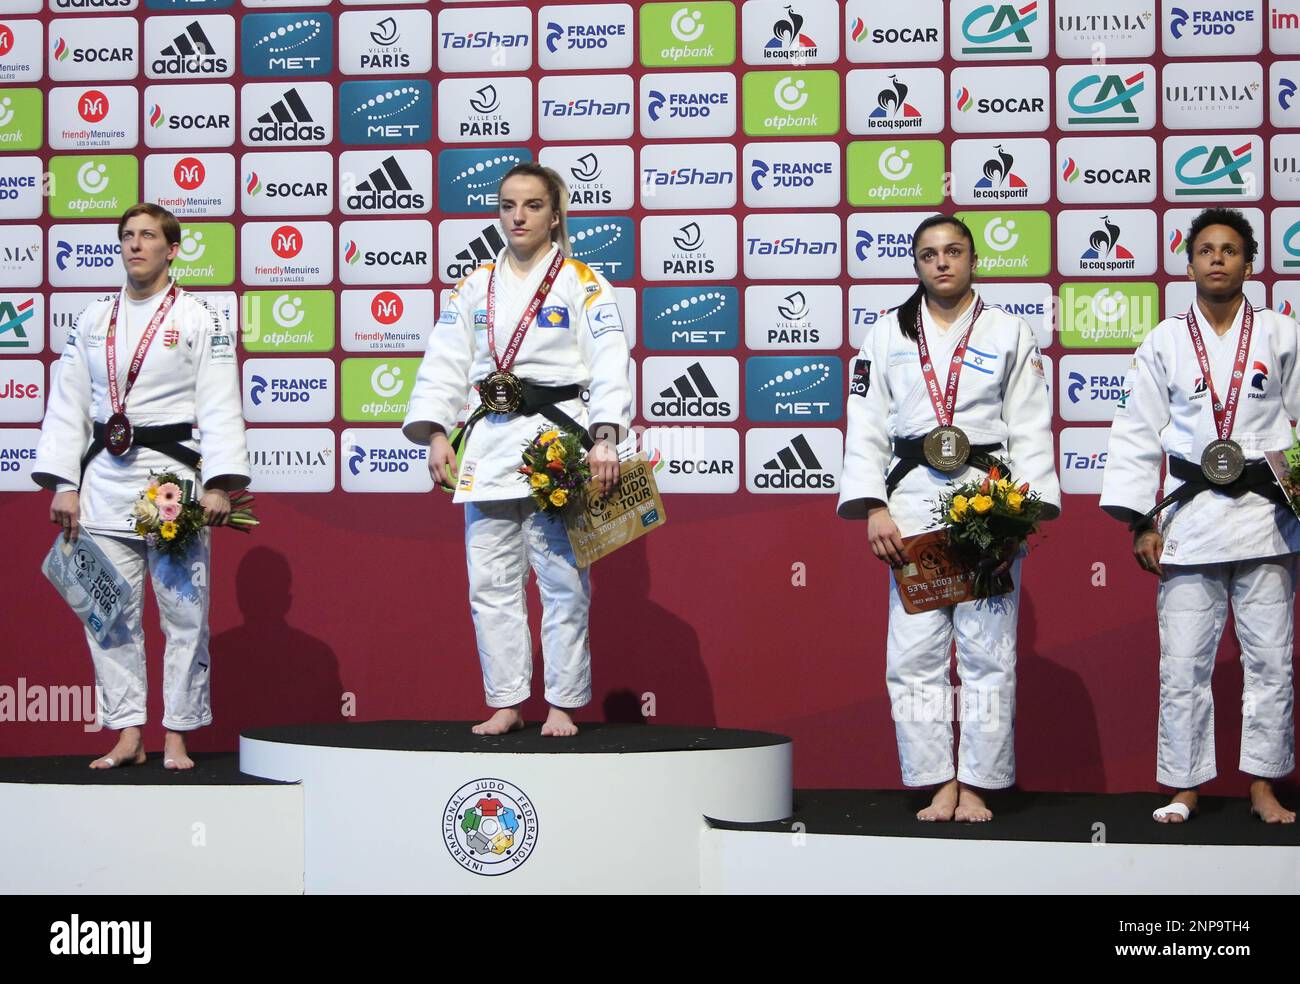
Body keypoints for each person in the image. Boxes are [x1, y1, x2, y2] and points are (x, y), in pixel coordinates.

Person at [838, 215, 1060, 821]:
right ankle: (935, 779)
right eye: (930, 254)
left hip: (987, 504)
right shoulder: (886, 335)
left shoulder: (1010, 332)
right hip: (910, 504)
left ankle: (980, 781)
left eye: (953, 251)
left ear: (973, 259)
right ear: (915, 264)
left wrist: (1022, 514)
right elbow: (866, 427)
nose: (942, 262)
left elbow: (1032, 428)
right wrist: (873, 506)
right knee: (913, 655)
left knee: (989, 650)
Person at [403, 163, 631, 737]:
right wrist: (434, 433)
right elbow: (444, 362)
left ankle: (561, 702)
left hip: (558, 441)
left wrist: (605, 437)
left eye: (532, 205)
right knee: (490, 582)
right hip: (489, 443)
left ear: (555, 214)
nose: (518, 216)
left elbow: (610, 363)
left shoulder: (583, 282)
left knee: (561, 581)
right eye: (508, 205)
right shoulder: (474, 284)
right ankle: (506, 701)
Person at [33, 202, 249, 770]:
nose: (135, 245)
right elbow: (69, 403)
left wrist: (220, 483)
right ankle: (128, 732)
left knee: (184, 616)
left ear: (172, 249)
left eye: (148, 236)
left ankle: (176, 734)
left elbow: (221, 404)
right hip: (104, 479)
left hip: (171, 484)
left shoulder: (202, 317)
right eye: (127, 235)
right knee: (107, 612)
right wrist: (63, 481)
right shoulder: (93, 318)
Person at [1101, 207, 1298, 824]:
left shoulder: (1283, 335)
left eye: (1231, 249)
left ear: (1249, 262)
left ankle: (1264, 784)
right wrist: (1142, 521)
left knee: (1272, 660)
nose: (1218, 258)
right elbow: (1136, 432)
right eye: (1207, 249)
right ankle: (1184, 786)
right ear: (1189, 263)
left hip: (1267, 516)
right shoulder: (1163, 340)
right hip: (1189, 518)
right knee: (1183, 661)